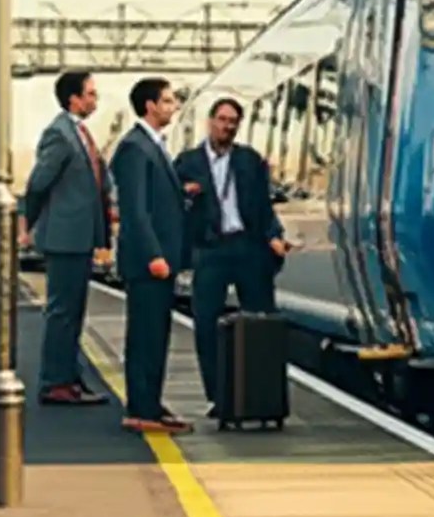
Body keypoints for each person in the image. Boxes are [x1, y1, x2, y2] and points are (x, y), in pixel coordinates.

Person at [174, 97, 288, 418]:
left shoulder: (250, 160)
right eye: (222, 119)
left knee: (261, 319)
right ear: (210, 121)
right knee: (206, 324)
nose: (227, 126)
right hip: (210, 250)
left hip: (248, 247)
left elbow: (264, 207)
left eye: (233, 121)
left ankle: (261, 396)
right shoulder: (187, 163)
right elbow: (172, 205)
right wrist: (186, 195)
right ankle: (218, 397)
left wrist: (274, 237)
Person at [23, 71, 113, 406]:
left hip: (77, 237)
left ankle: (70, 379)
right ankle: (55, 382)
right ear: (73, 99)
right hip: (64, 237)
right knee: (63, 312)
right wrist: (26, 224)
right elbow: (37, 183)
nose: (94, 99)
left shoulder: (79, 133)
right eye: (90, 94)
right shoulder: (59, 134)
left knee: (73, 313)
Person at [110, 77, 191, 434]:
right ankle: (140, 409)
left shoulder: (150, 146)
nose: (174, 106)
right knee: (145, 336)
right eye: (169, 100)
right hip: (150, 264)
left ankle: (151, 405)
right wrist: (154, 255)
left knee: (155, 336)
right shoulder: (134, 148)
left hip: (160, 262)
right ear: (150, 106)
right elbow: (136, 212)